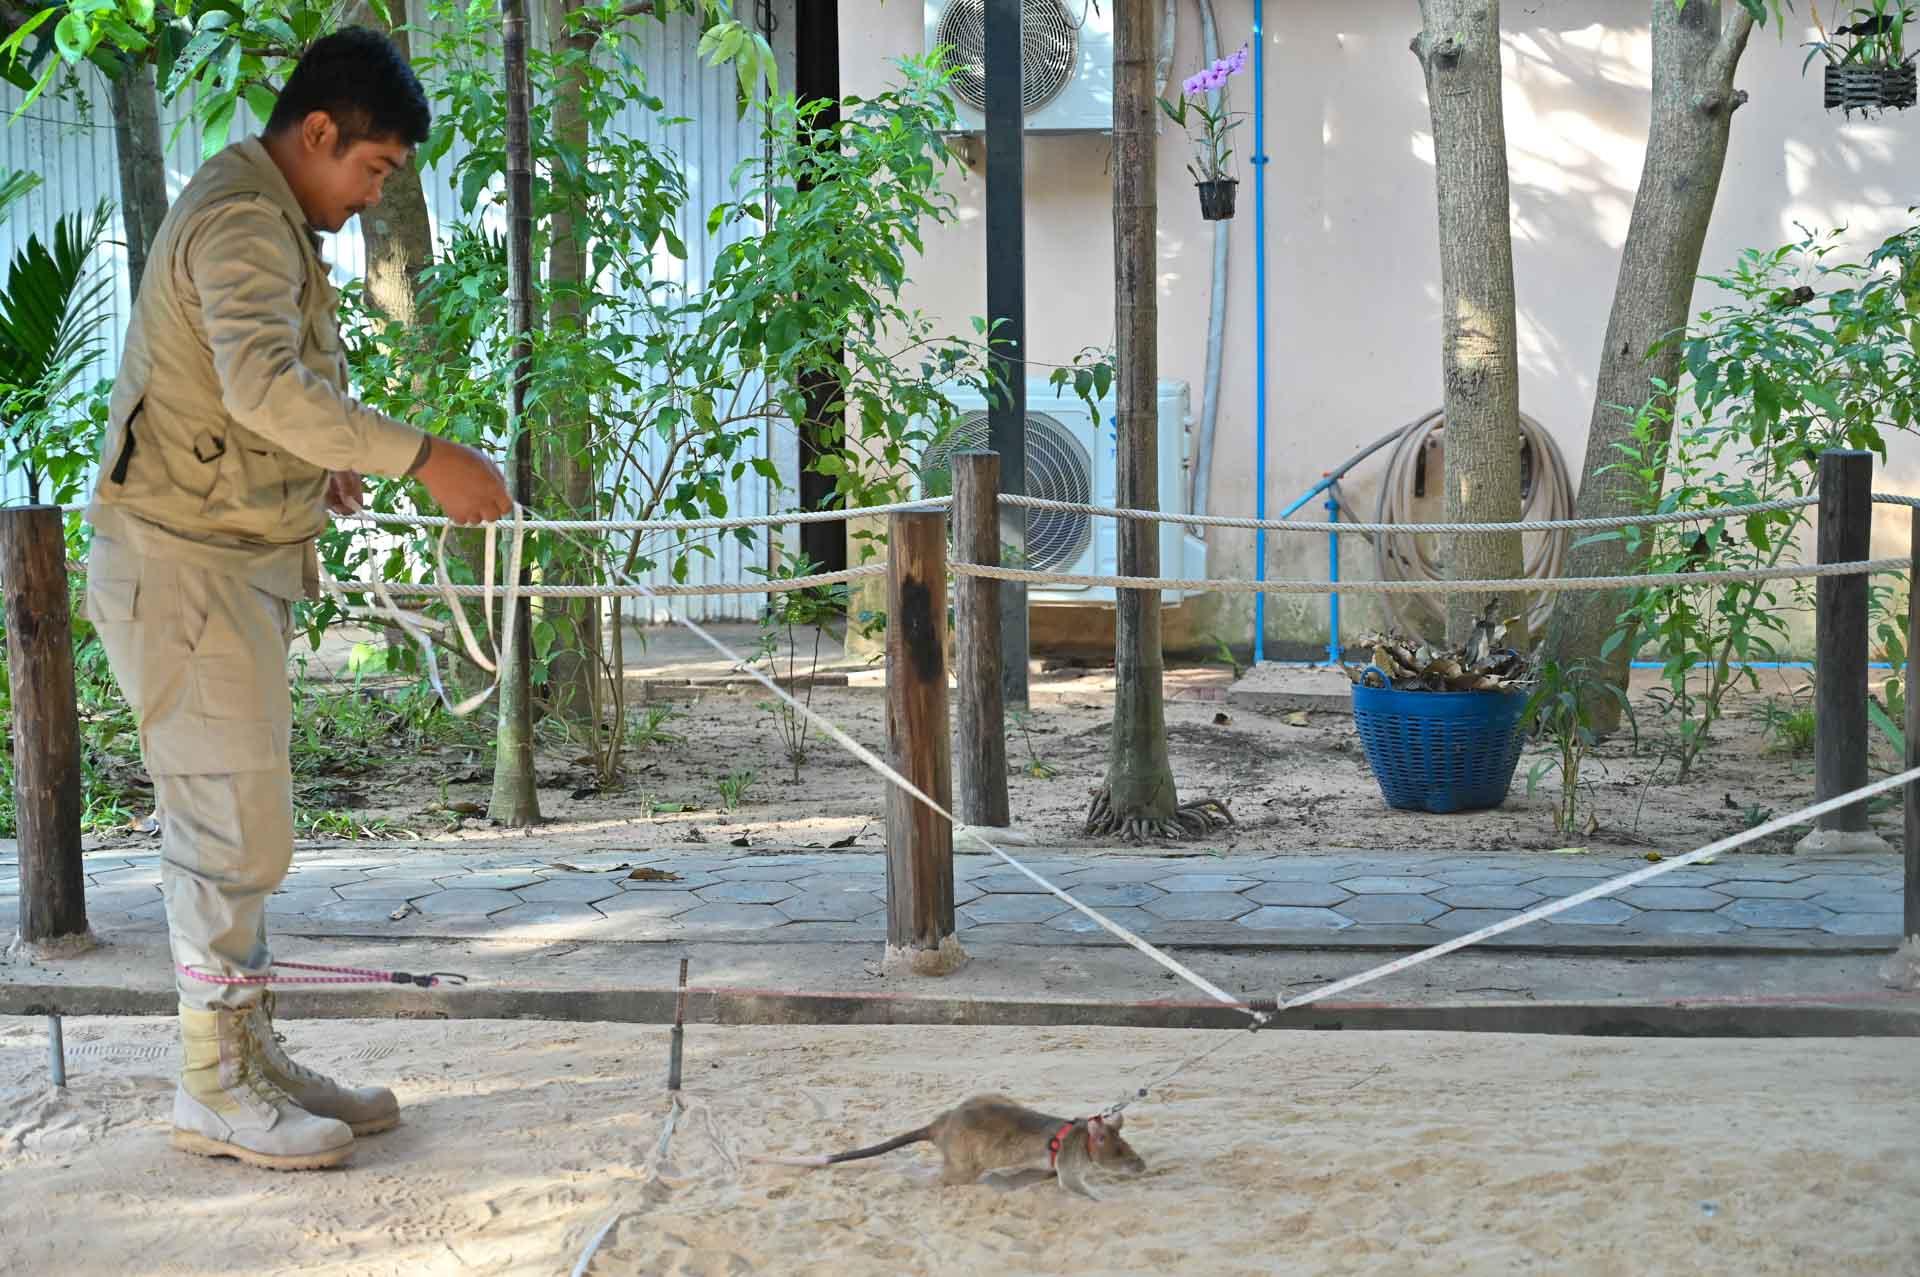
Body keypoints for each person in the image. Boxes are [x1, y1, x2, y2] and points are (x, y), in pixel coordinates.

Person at [82, 27, 512, 1171]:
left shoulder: (265, 213)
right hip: (184, 565)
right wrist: (422, 454)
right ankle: (214, 1084)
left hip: (216, 559)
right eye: (372, 168)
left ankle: (247, 1055)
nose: (375, 193)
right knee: (224, 828)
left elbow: (249, 397)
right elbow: (261, 379)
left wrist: (309, 459)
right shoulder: (239, 217)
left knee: (244, 824)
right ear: (318, 132)